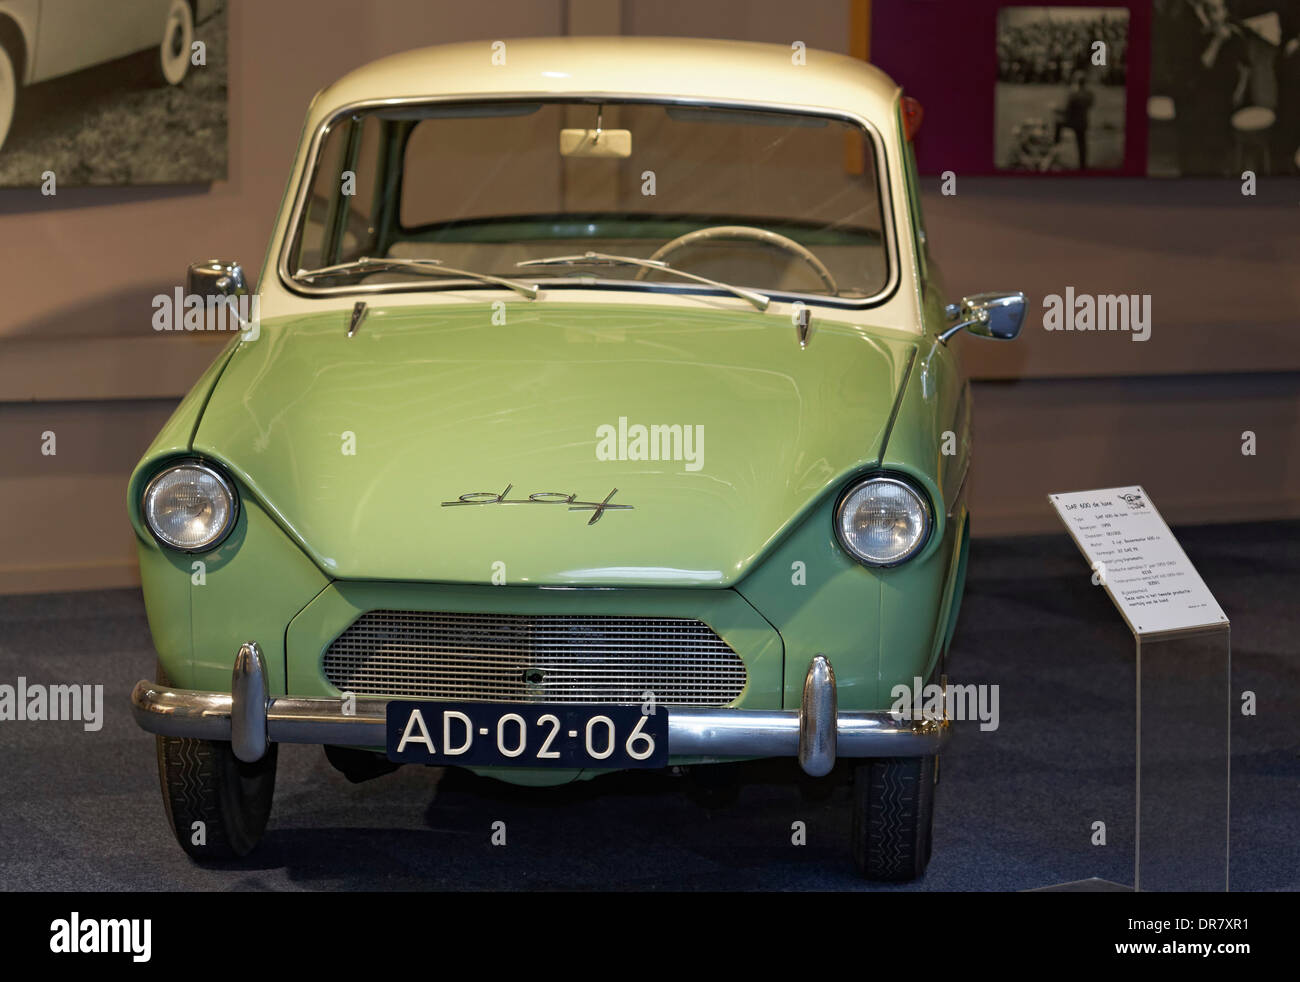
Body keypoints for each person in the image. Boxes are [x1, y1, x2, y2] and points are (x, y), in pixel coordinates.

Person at [1054, 70, 1095, 169]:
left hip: (1072, 122)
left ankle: (1056, 144)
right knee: (1082, 143)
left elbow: (1066, 110)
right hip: (1083, 122)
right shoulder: (1089, 94)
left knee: (1058, 122)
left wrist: (1055, 109)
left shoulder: (1073, 94)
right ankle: (1082, 164)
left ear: (1076, 81)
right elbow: (1090, 105)